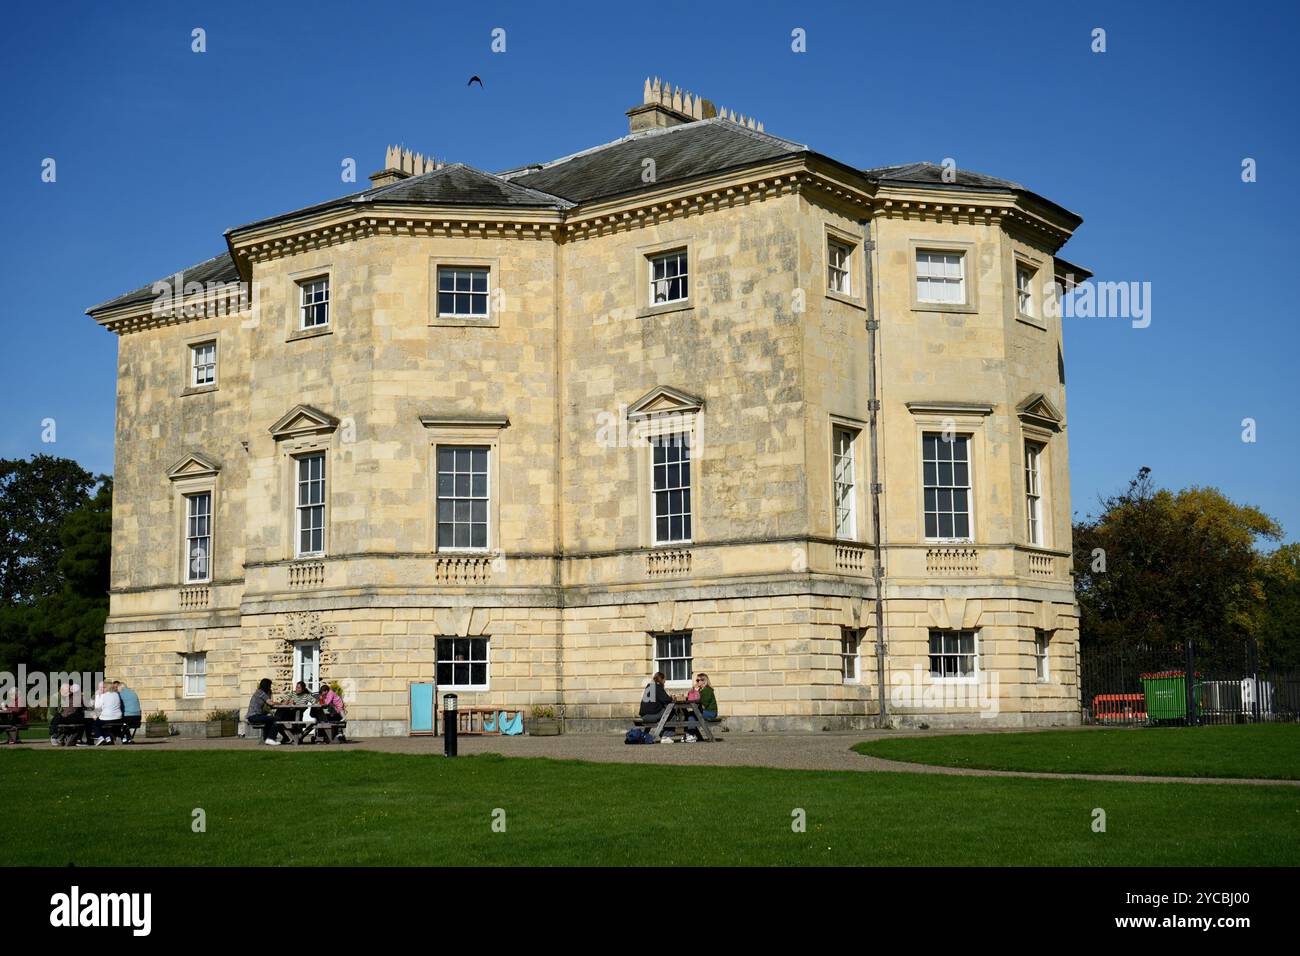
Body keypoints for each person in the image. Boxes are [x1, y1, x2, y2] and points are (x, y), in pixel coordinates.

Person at [246, 678, 282, 745]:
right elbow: (271, 703)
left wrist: (270, 694)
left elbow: (270, 705)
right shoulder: (261, 693)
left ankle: (267, 738)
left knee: (270, 719)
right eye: (270, 685)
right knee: (276, 719)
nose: (270, 687)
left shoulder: (259, 692)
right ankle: (270, 738)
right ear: (267, 686)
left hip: (255, 716)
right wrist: (282, 703)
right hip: (254, 716)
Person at [91, 681, 124, 745]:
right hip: (118, 718)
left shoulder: (103, 695)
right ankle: (107, 738)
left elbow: (97, 707)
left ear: (107, 688)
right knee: (103, 723)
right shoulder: (116, 694)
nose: (102, 689)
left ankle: (100, 738)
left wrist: (97, 695)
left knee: (95, 724)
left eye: (103, 687)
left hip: (107, 718)